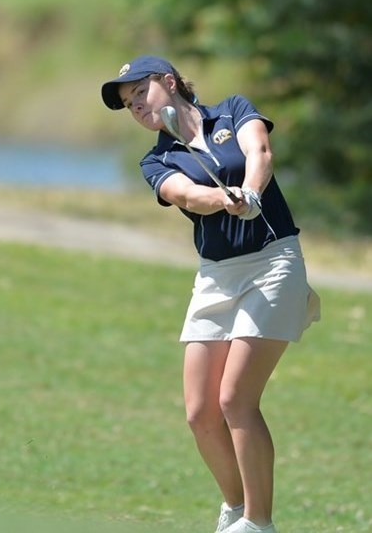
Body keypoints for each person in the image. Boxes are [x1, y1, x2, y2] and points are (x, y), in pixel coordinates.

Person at [100, 55, 320, 533]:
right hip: (216, 276)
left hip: (272, 261)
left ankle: (259, 523)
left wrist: (251, 195)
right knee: (200, 413)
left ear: (169, 82)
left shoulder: (234, 111)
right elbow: (185, 194)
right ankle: (236, 506)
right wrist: (224, 199)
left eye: (141, 94)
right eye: (128, 104)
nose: (137, 107)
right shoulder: (157, 159)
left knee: (235, 400)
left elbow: (258, 153)